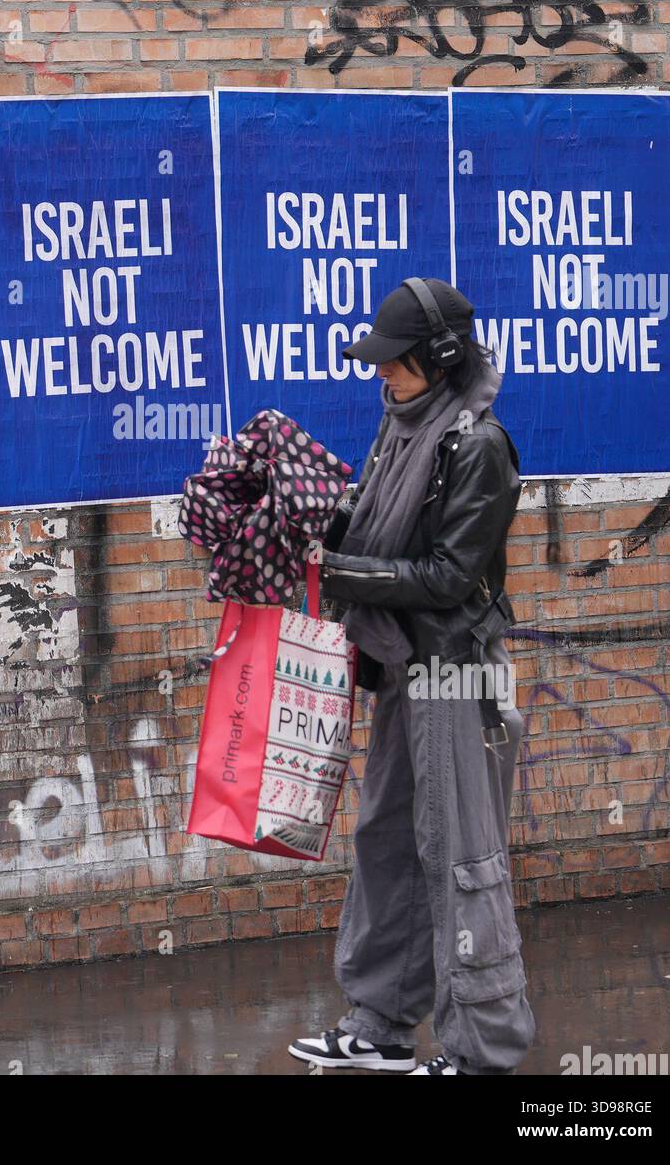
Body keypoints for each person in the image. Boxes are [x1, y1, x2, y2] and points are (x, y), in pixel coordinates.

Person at [288, 277, 535, 1077]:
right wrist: (310, 527)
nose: (381, 375)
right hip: (403, 670)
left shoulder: (476, 447)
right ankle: (380, 1026)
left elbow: (446, 578)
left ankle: (480, 1049)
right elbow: (366, 528)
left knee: (457, 853)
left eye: (395, 362)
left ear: (440, 357)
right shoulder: (399, 433)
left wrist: (339, 572)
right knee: (388, 840)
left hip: (453, 677)